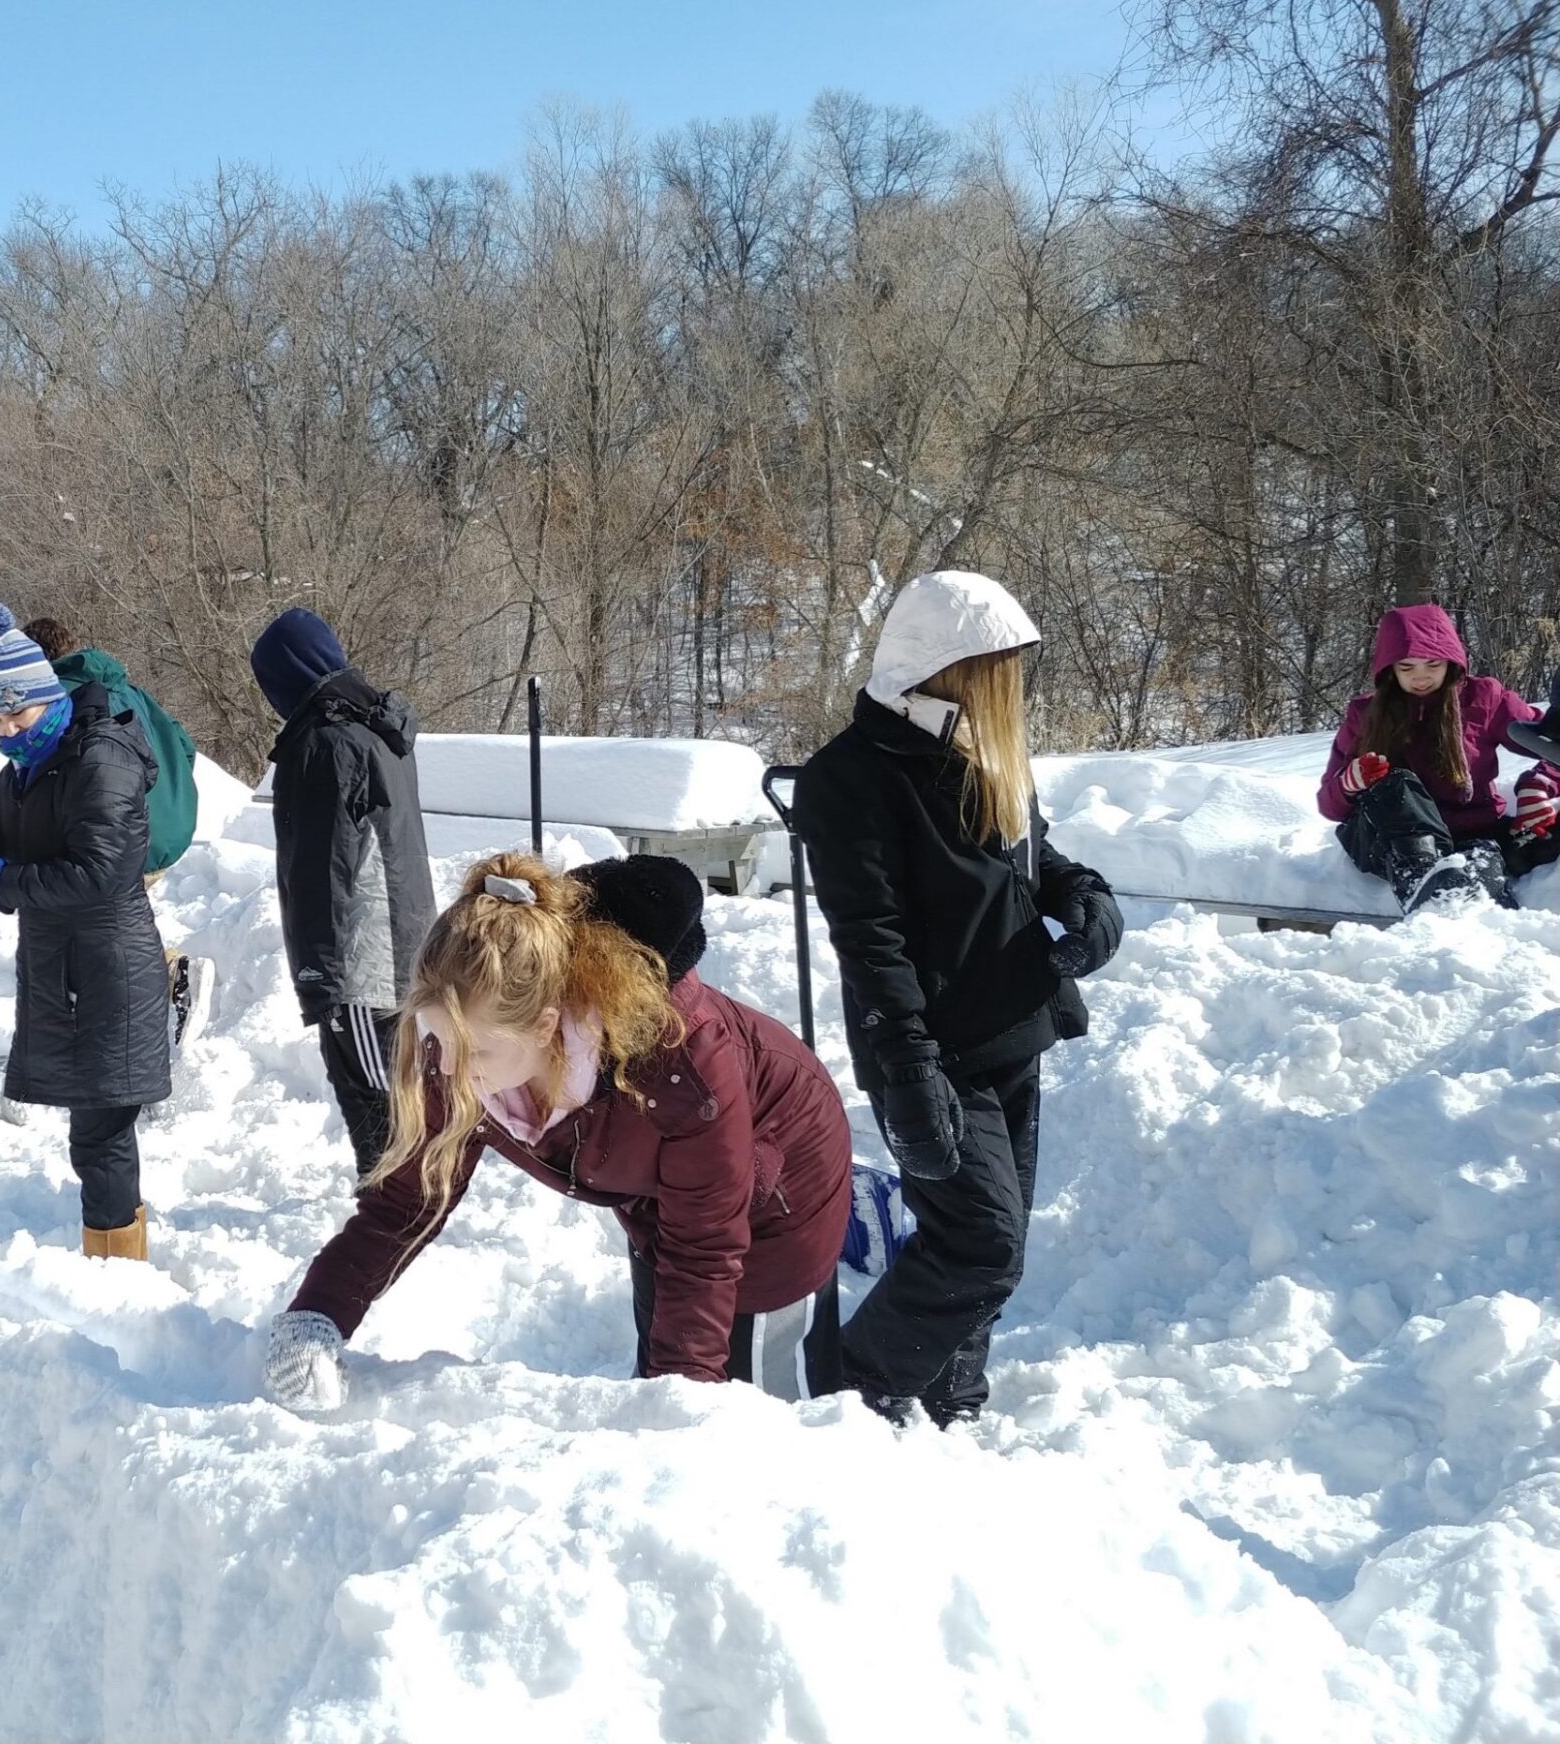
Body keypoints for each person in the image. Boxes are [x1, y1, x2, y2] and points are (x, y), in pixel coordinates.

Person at [263, 853, 852, 1411]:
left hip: (781, 1190)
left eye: (476, 1052)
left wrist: (679, 1410)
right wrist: (318, 1316)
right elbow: (406, 1202)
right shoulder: (465, 1047)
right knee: (669, 1358)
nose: (448, 1071)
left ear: (546, 1025)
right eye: (439, 1039)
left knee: (761, 1411)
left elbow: (703, 1251)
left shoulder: (680, 1062)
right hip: (662, 1197)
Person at [791, 570, 1121, 1429]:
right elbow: (872, 941)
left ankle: (952, 1400)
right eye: (994, 667)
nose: (1007, 687)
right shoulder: (851, 777)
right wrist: (907, 1072)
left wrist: (1085, 899)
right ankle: (852, 1388)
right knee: (981, 1247)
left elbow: (1032, 863)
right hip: (932, 1054)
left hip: (1013, 1030)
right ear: (943, 665)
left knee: (980, 1248)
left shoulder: (983, 748)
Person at [0, 601, 172, 1260]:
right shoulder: (31, 760)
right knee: (93, 1127)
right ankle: (110, 1251)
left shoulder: (98, 759)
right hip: (69, 963)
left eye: (14, 712)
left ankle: (116, 1265)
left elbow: (100, 874)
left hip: (109, 964)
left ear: (45, 694)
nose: (6, 729)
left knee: (102, 1129)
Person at [250, 608, 434, 1179]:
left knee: (375, 1106)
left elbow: (320, 872)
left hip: (362, 963)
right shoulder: (376, 728)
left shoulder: (326, 742)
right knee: (396, 1098)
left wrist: (320, 979)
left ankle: (392, 1224)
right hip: (406, 946)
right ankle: (402, 1216)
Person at [21, 615, 214, 1046]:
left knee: (90, 929)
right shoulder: (127, 689)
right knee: (111, 919)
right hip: (168, 825)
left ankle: (169, 981)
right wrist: (163, 796)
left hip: (123, 834)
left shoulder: (60, 701)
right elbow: (184, 745)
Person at [1317, 604, 1558, 913]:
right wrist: (1350, 783)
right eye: (1407, 668)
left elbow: (1549, 741)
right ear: (1390, 669)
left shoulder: (1484, 699)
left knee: (1482, 865)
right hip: (1389, 842)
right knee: (1396, 782)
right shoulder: (1365, 714)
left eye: (1432, 665)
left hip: (1474, 834)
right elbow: (1329, 804)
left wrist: (1537, 785)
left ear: (1451, 661)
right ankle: (1423, 886)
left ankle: (1491, 920)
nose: (1421, 677)